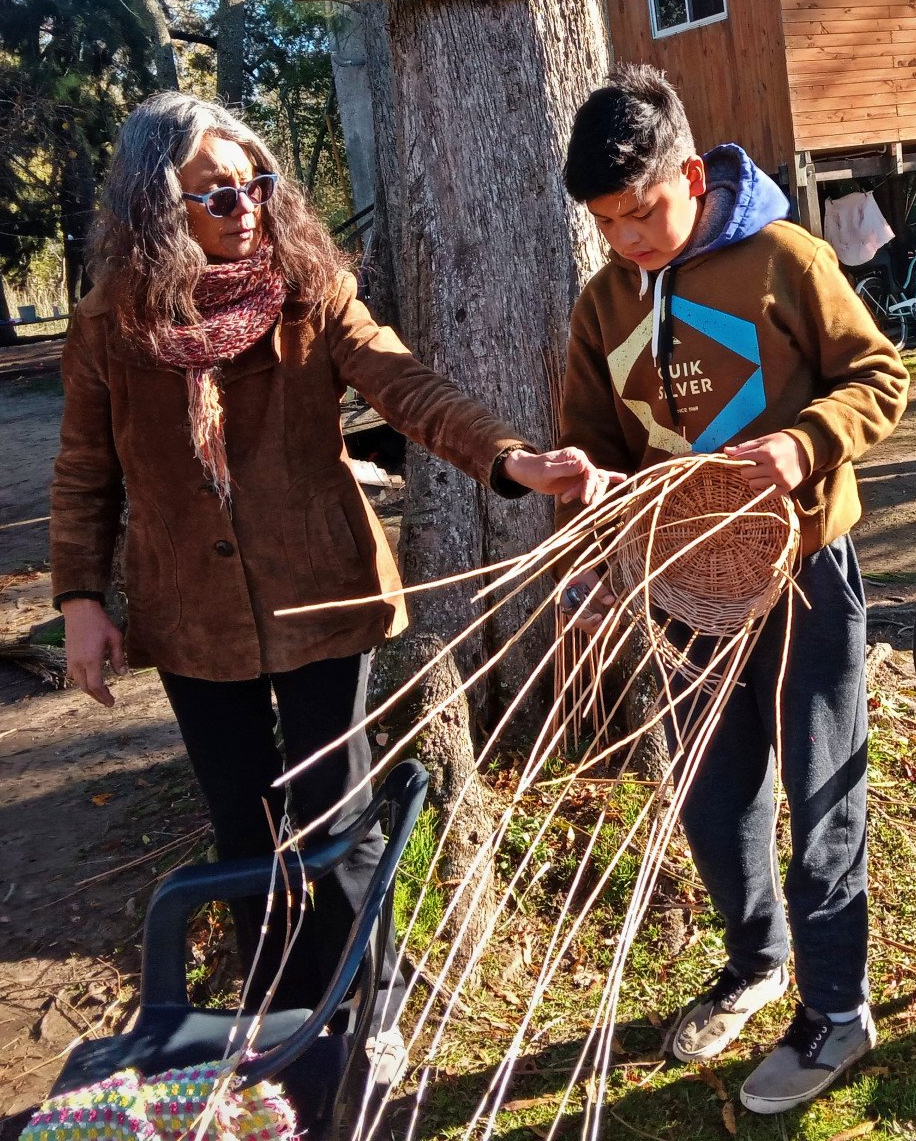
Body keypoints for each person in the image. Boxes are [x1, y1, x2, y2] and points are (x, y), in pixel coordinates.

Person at [50, 91, 605, 1071]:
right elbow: (86, 472)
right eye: (215, 197)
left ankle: (365, 1009)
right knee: (242, 828)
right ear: (155, 212)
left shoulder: (313, 293)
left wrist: (512, 459)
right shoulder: (109, 330)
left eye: (255, 183)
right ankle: (284, 1015)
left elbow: (408, 388)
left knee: (336, 822)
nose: (246, 206)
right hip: (190, 618)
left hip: (325, 597)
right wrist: (82, 601)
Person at [557, 65, 910, 1114]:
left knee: (820, 783)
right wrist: (590, 507)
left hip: (804, 576)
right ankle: (757, 961)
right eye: (607, 223)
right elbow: (590, 441)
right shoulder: (601, 303)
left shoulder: (785, 260)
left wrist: (806, 447)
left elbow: (881, 377)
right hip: (683, 589)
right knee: (715, 796)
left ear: (694, 174)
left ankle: (837, 1008)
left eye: (644, 211)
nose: (631, 240)